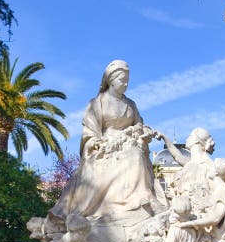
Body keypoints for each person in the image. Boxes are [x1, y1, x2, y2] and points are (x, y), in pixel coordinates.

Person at [50, 60, 166, 224]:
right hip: (105, 144)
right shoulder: (97, 103)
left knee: (136, 155)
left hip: (128, 142)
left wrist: (137, 130)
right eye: (122, 79)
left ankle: (141, 199)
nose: (125, 83)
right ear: (111, 79)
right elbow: (89, 130)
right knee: (126, 157)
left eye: (127, 80)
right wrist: (96, 142)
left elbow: (139, 123)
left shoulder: (131, 104)